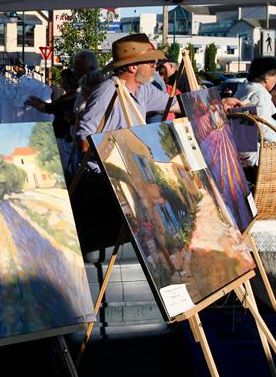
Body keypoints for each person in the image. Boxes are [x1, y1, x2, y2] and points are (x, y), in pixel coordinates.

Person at [73, 34, 173, 251]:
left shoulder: (142, 89)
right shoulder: (108, 90)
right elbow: (83, 139)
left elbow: (174, 104)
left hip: (133, 181)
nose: (155, 67)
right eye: (150, 62)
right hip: (105, 184)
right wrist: (117, 155)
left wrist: (221, 102)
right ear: (132, 67)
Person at [233, 57, 276, 167]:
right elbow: (264, 127)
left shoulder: (244, 89)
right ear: (266, 77)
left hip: (242, 153)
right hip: (258, 159)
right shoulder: (260, 95)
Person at [27, 68, 80, 171]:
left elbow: (46, 108)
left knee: (65, 169)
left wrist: (32, 102)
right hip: (68, 138)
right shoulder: (75, 97)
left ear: (66, 81)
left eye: (62, 79)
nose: (60, 81)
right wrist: (37, 100)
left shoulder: (67, 99)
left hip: (63, 140)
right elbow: (50, 107)